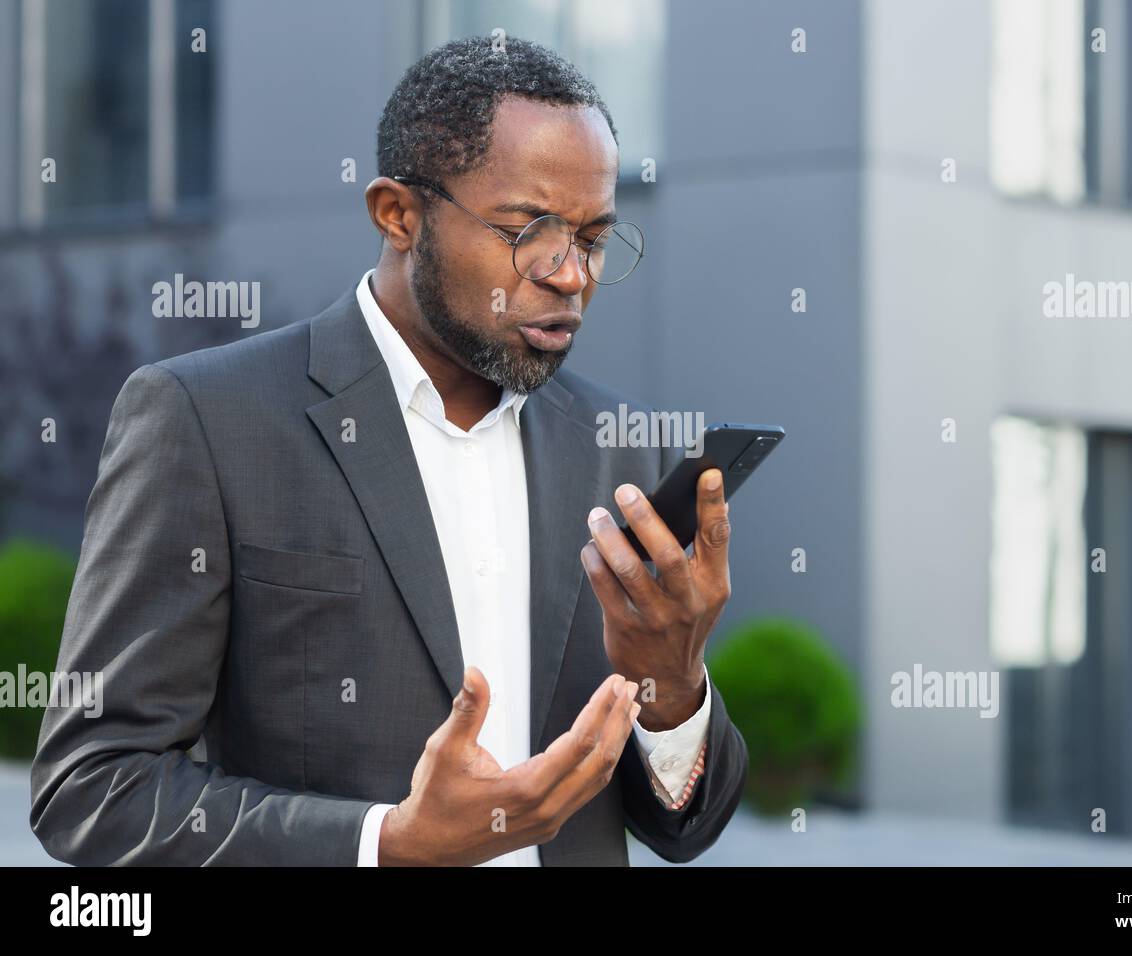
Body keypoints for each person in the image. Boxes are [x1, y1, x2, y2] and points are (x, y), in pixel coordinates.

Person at [29, 36, 747, 866]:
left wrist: (673, 684)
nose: (569, 273)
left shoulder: (617, 452)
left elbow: (684, 828)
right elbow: (92, 789)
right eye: (528, 230)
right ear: (398, 213)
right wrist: (383, 844)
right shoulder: (207, 420)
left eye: (590, 237)